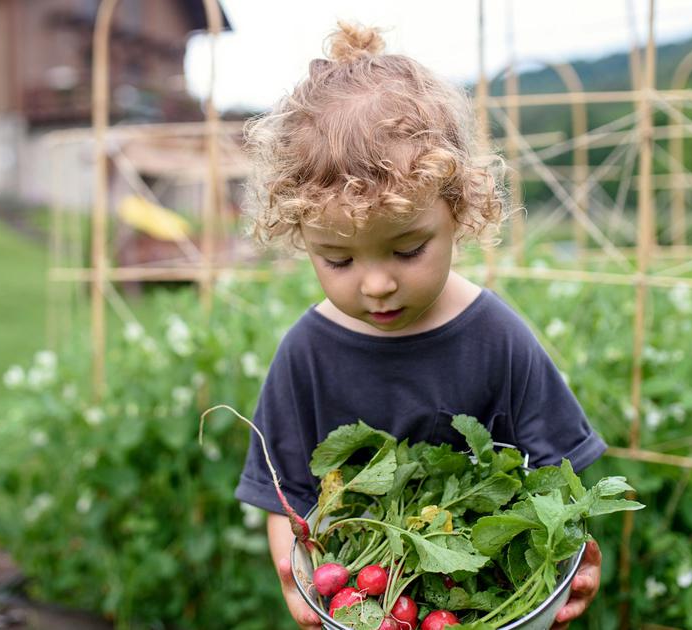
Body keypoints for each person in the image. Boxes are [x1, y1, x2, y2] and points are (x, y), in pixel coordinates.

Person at [233, 21, 607, 630]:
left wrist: (568, 568)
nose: (376, 284)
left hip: (487, 603)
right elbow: (288, 498)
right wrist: (303, 582)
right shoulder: (306, 353)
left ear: (459, 210)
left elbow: (560, 486)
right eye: (338, 259)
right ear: (301, 238)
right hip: (367, 604)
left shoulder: (498, 339)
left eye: (407, 251)